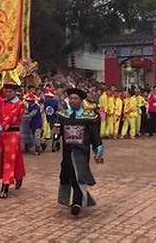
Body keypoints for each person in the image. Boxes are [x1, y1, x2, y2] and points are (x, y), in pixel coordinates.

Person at [56, 87, 104, 217]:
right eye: (71, 98)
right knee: (69, 174)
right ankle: (78, 198)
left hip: (82, 151)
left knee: (80, 174)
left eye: (76, 98)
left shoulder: (89, 117)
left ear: (81, 100)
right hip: (67, 151)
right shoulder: (63, 115)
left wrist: (98, 147)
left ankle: (77, 202)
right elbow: (58, 132)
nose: (73, 101)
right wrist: (56, 135)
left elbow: (95, 135)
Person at [0, 79, 26, 199]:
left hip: (13, 135)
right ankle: (19, 175)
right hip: (2, 135)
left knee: (9, 160)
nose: (7, 93)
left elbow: (9, 119)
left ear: (16, 92)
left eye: (10, 91)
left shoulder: (20, 104)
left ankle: (5, 186)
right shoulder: (3, 102)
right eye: (5, 91)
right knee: (2, 159)